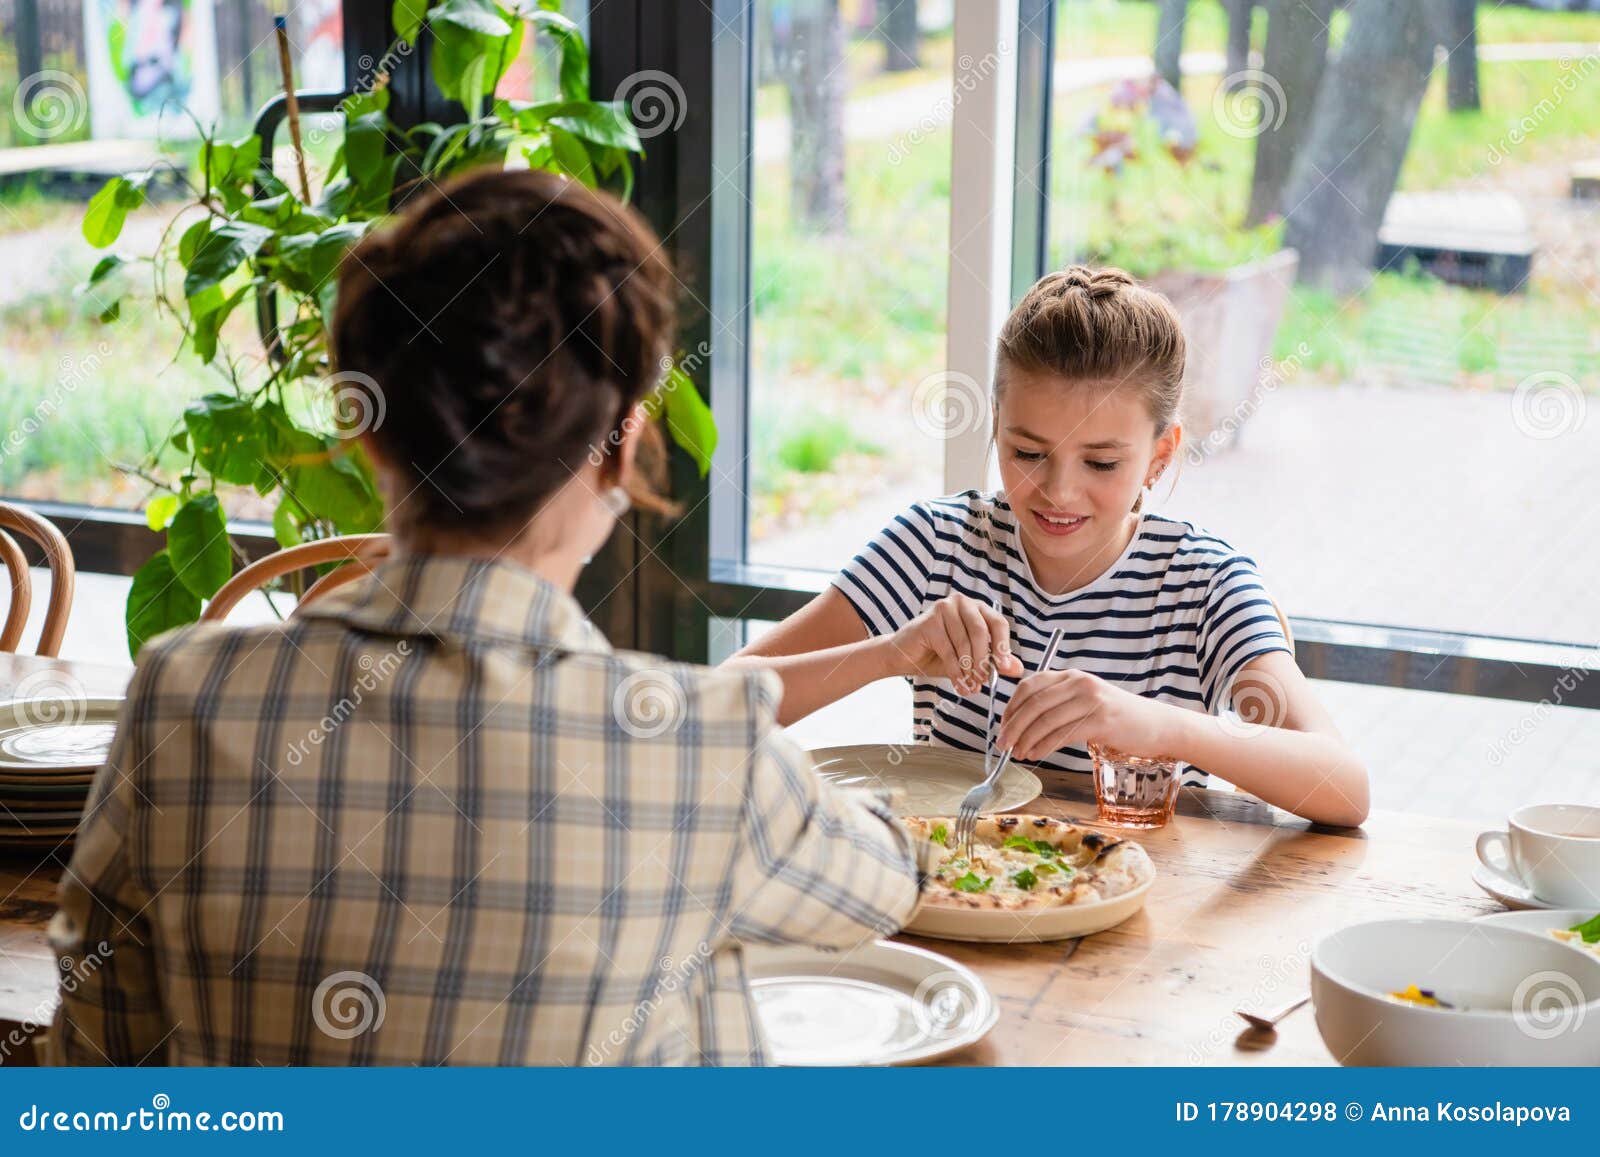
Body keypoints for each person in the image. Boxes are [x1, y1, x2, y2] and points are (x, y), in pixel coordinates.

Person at [47, 168, 929, 1067]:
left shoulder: (180, 695)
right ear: (621, 450)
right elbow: (888, 883)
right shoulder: (702, 746)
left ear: (368, 433)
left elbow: (99, 1050)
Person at [725, 266, 1369, 829]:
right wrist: (888, 654)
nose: (1060, 493)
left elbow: (1344, 786)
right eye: (1028, 453)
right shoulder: (935, 545)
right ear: (996, 427)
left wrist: (1152, 724)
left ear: (1160, 455)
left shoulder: (1204, 584)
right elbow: (712, 708)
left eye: (1102, 463)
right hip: (959, 893)